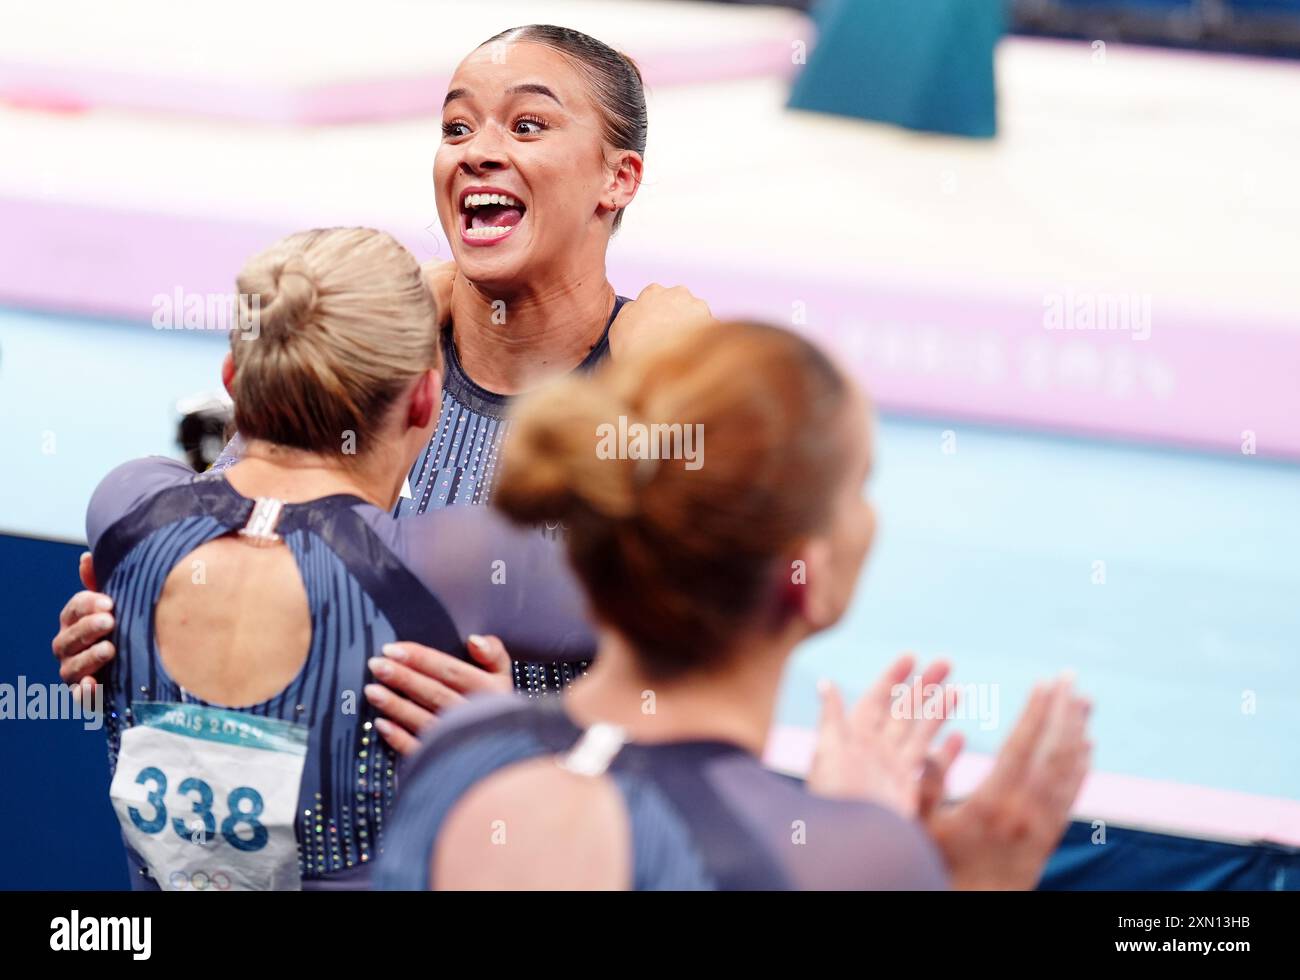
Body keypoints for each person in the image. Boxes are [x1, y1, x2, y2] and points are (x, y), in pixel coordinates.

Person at [52, 24, 712, 747]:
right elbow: (240, 562)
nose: (478, 151)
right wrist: (138, 636)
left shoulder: (662, 390)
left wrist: (529, 738)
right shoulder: (369, 359)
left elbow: (706, 711)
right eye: (456, 127)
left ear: (618, 177)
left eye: (528, 125)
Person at [376, 321, 1092, 890]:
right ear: (805, 577)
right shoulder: (847, 861)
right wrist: (971, 879)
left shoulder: (460, 746)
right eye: (860, 486)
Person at [88, 228, 593, 890]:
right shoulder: (456, 563)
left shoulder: (127, 508)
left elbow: (236, 489)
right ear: (424, 398)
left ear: (234, 380)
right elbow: (699, 604)